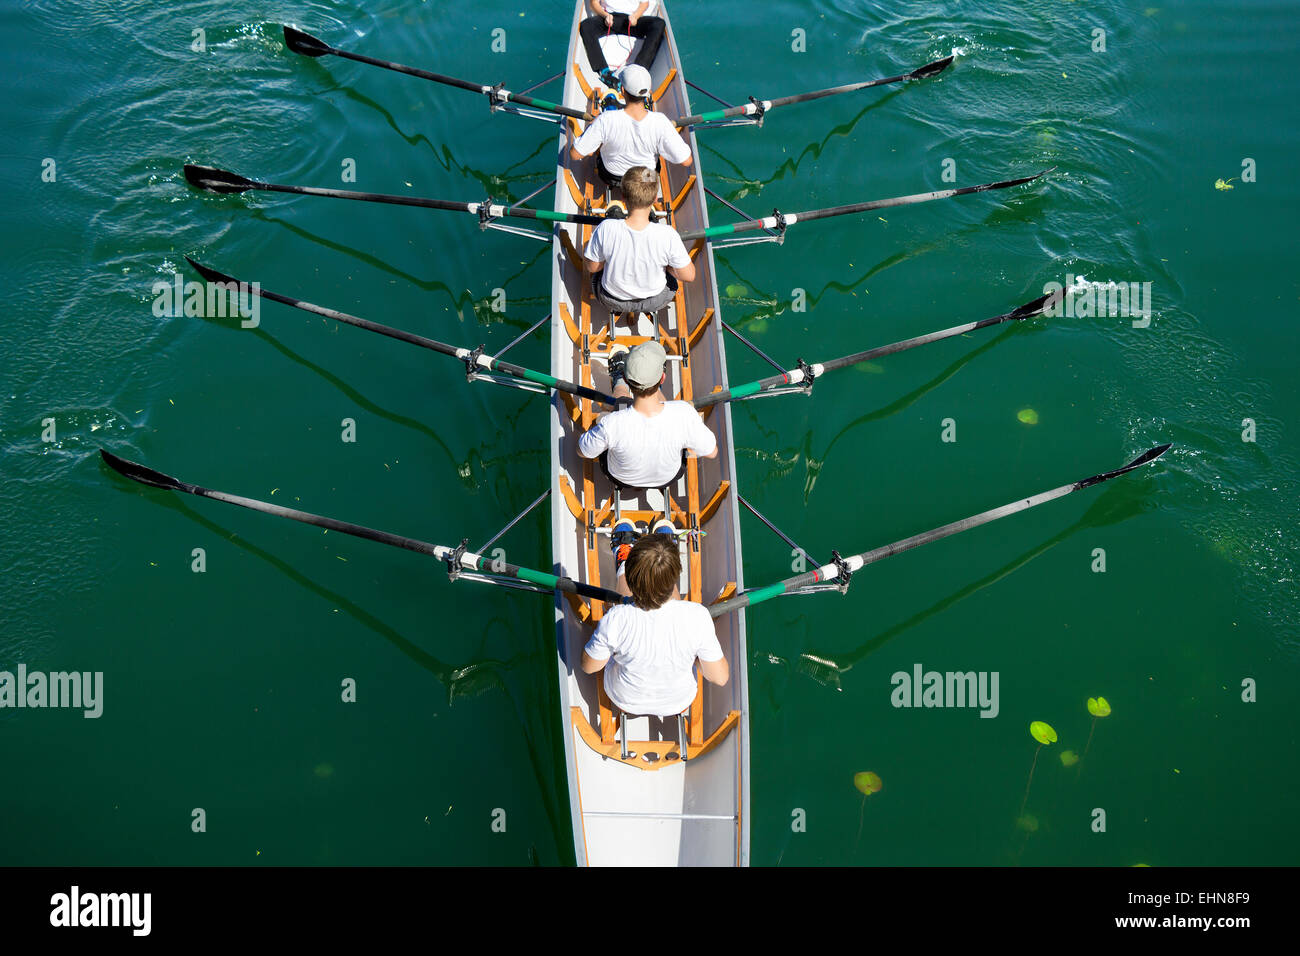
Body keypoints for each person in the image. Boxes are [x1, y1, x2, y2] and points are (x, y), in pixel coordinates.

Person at [581, 533, 729, 719]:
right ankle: (663, 547)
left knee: (624, 604)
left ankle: (622, 558)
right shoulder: (698, 616)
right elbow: (720, 677)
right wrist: (696, 657)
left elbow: (589, 666)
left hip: (625, 700)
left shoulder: (616, 618)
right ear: (675, 576)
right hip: (679, 702)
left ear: (632, 578)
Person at [578, 339, 718, 490]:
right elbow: (712, 453)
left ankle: (619, 382)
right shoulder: (684, 413)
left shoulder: (612, 423)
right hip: (669, 478)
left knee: (622, 401)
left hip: (620, 478)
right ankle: (650, 383)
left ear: (627, 378)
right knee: (669, 407)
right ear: (662, 378)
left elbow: (583, 451)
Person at [583, 165, 695, 320]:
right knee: (673, 274)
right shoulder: (668, 235)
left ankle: (615, 214)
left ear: (623, 197)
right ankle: (652, 219)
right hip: (654, 300)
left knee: (594, 258)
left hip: (612, 299)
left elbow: (592, 267)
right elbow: (689, 276)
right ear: (656, 198)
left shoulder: (605, 228)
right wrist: (667, 266)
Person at [569, 64, 691, 188]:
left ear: (622, 90)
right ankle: (649, 197)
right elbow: (687, 161)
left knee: (602, 142)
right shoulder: (661, 122)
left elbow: (574, 154)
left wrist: (592, 126)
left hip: (611, 177)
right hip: (646, 179)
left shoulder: (605, 119)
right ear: (648, 92)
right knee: (655, 163)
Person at [579, 1, 666, 76]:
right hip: (609, 19)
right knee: (586, 26)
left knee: (659, 23)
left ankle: (639, 69)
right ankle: (604, 71)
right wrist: (605, 15)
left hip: (631, 20)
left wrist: (636, 16)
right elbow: (594, 3)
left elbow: (645, 3)